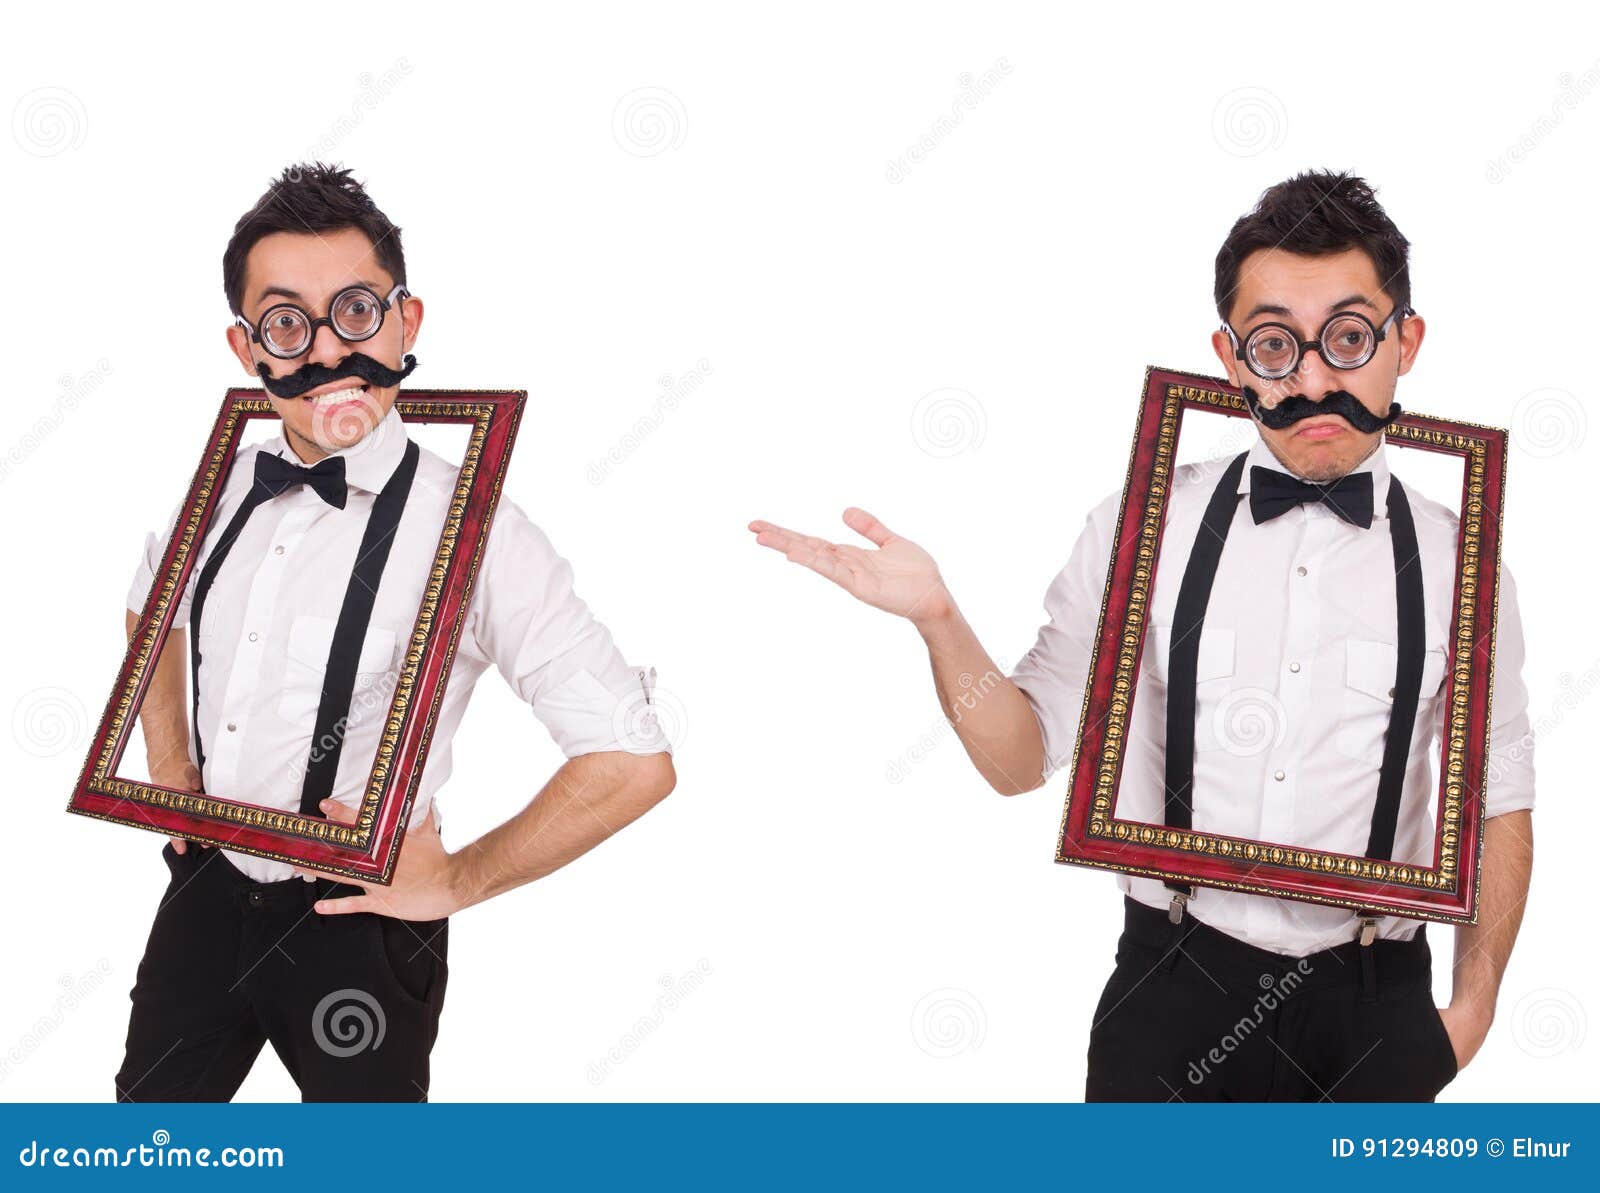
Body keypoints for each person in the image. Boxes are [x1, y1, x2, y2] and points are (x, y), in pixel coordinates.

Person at [749, 170, 1534, 1102]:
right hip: (1172, 992)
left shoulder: (1466, 565)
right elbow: (1017, 759)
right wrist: (940, 621)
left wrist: (1471, 1010)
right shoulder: (1139, 527)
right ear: (1232, 356)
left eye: (1351, 337)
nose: (1315, 378)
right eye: (1277, 344)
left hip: (1376, 1003)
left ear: (1406, 340)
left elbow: (1498, 800)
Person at [115, 163, 676, 1102]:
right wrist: (172, 763)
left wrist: (457, 880)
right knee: (144, 1150)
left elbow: (632, 757)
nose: (329, 349)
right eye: (289, 321)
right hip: (205, 888)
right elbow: (150, 606)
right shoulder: (216, 488)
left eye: (357, 311)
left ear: (406, 324)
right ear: (248, 347)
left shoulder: (478, 530)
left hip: (359, 921)